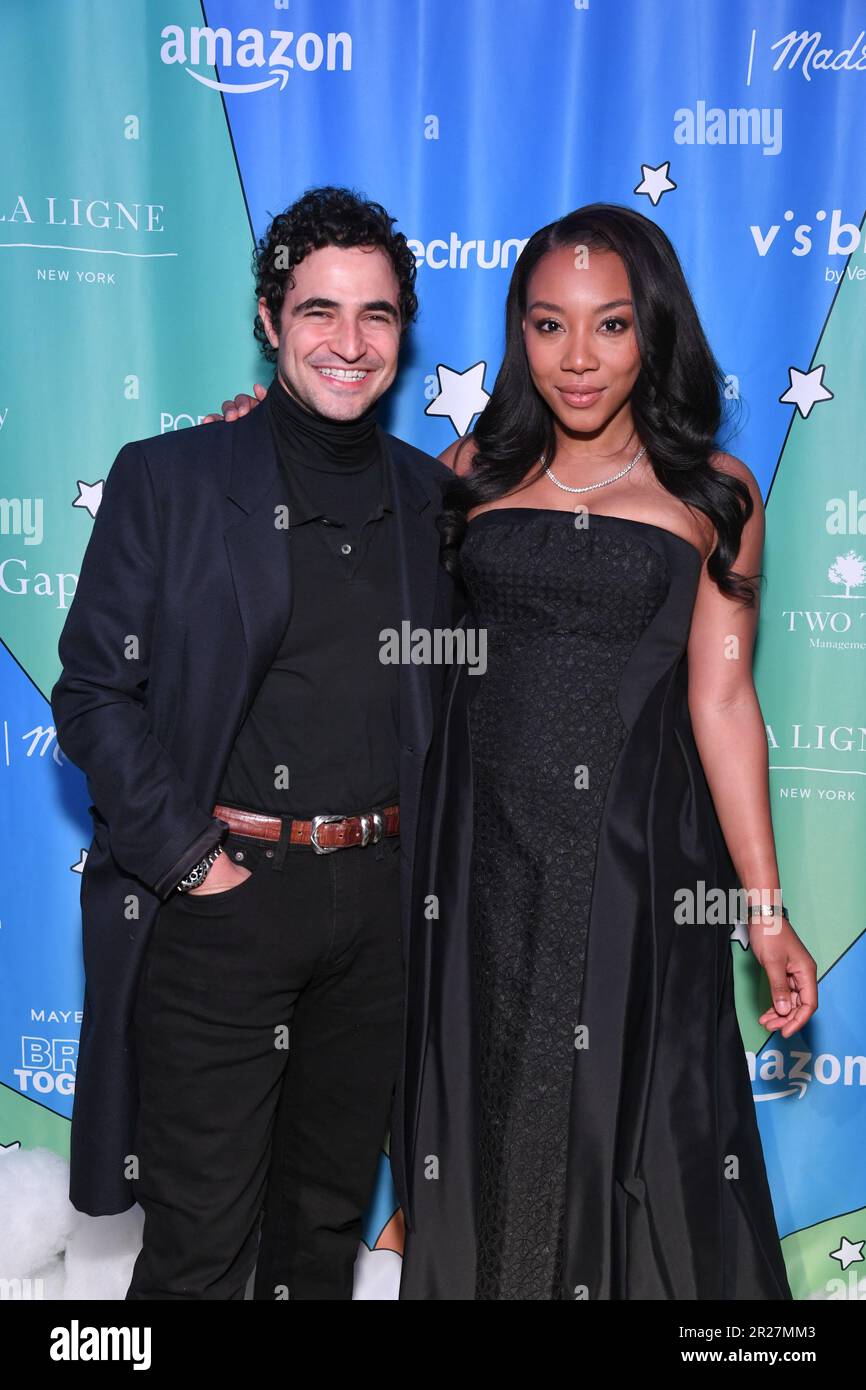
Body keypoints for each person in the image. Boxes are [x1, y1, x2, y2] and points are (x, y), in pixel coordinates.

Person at [391, 203, 817, 1299]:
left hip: (633, 866)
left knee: (629, 1129)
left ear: (652, 331)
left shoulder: (713, 492)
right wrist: (258, 428)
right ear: (518, 333)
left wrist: (762, 911)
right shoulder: (469, 470)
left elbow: (722, 699)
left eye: (610, 325)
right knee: (489, 1112)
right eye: (546, 325)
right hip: (478, 864)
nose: (577, 359)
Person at [50, 185, 459, 1299]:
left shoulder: (433, 504)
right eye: (318, 309)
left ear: (402, 332)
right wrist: (198, 866)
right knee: (199, 1239)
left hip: (377, 914)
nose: (348, 340)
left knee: (319, 1234)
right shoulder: (172, 480)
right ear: (270, 320)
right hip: (220, 903)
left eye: (375, 315)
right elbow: (91, 692)